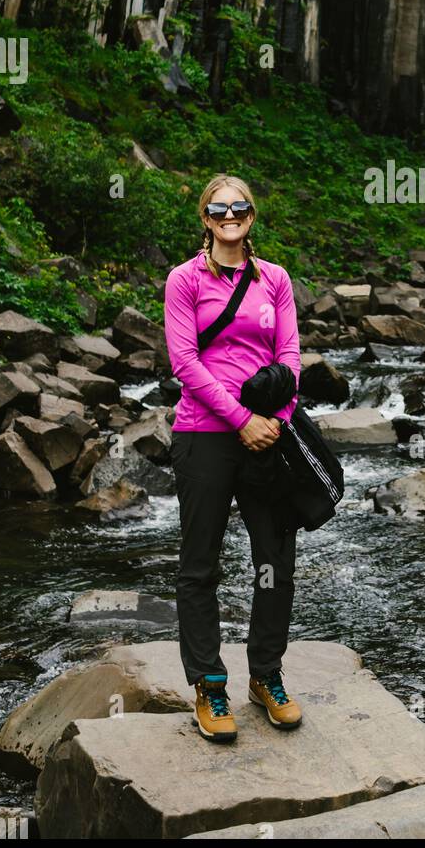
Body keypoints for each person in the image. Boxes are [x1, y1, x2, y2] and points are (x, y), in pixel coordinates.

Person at [163, 174, 303, 742]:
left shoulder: (275, 280)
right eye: (218, 208)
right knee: (201, 564)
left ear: (251, 215)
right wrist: (240, 420)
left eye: (239, 207)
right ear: (205, 217)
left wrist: (276, 421)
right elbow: (184, 362)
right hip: (205, 435)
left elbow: (290, 356)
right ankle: (209, 684)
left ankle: (265, 675)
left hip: (269, 434)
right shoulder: (184, 280)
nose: (229, 215)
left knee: (275, 558)